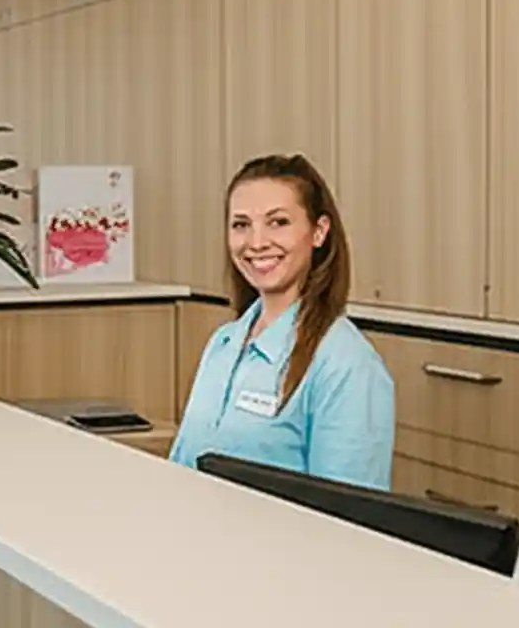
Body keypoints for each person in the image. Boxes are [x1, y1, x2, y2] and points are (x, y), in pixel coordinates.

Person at [168, 154, 395, 490]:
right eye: (241, 225)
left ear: (319, 232)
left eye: (278, 222)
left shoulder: (347, 365)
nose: (256, 242)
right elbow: (183, 467)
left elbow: (349, 517)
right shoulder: (224, 343)